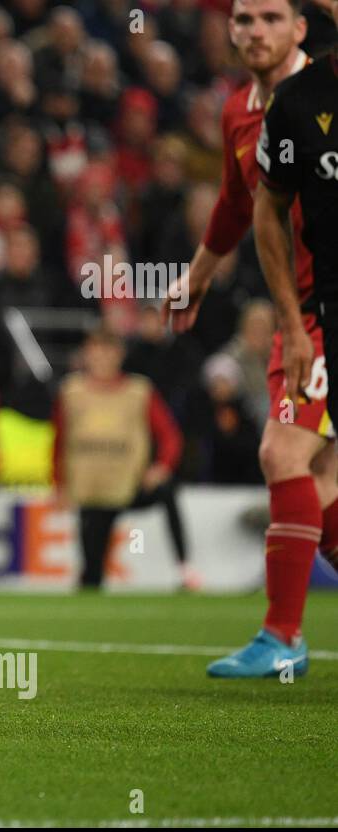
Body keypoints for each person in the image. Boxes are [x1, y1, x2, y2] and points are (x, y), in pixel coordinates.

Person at [162, 0, 331, 677]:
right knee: (318, 482)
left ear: (301, 28)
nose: (256, 30)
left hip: (319, 314)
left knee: (281, 449)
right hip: (302, 309)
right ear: (229, 32)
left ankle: (282, 633)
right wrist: (197, 276)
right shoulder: (238, 112)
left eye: (271, 18)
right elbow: (238, 206)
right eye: (244, 19)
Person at [249, 0, 338, 679]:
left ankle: (282, 634)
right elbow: (263, 212)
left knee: (302, 462)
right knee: (295, 457)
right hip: (320, 315)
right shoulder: (296, 105)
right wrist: (290, 322)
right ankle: (282, 635)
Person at [53, 328, 184, 589]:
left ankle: (184, 567)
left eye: (108, 350)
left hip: (129, 483)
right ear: (86, 354)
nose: (102, 357)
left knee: (167, 492)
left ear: (119, 354)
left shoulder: (139, 391)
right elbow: (58, 441)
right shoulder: (71, 391)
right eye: (96, 350)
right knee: (91, 569)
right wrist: (59, 484)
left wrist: (162, 467)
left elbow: (170, 435)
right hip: (91, 489)